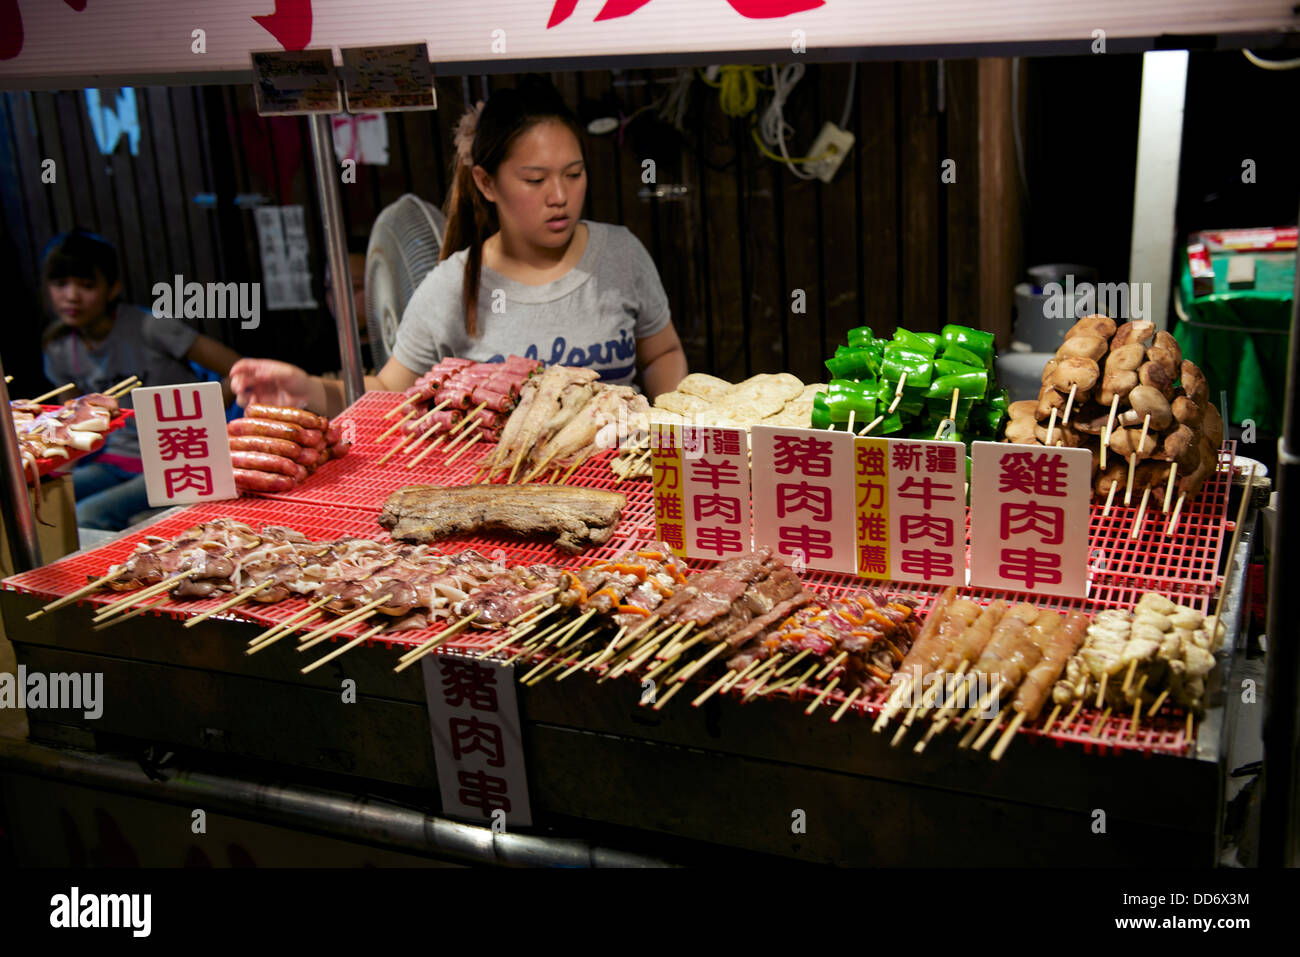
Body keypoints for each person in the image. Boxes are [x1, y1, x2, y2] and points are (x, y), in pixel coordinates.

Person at [231, 75, 688, 416]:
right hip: (497, 505)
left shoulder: (620, 255)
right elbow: (391, 389)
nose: (560, 196)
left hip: (620, 496)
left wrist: (672, 427)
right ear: (486, 182)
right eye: (535, 179)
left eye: (574, 174)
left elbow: (662, 353)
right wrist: (310, 389)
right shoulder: (451, 286)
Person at [40, 229, 243, 531]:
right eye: (60, 284)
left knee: (87, 515)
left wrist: (202, 417)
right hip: (113, 460)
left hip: (174, 460)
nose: (71, 296)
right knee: (41, 499)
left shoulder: (151, 328)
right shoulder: (57, 347)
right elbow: (73, 425)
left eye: (86, 285)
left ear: (113, 288)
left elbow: (239, 370)